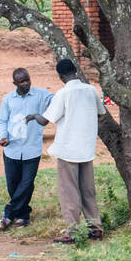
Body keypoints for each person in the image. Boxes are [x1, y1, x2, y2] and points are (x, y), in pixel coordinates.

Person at [28, 59, 107, 243]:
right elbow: (101, 114)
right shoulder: (91, 90)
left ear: (61, 76)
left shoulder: (63, 93)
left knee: (69, 191)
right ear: (76, 71)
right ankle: (95, 228)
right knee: (87, 189)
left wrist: (33, 116)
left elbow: (45, 120)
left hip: (68, 150)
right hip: (86, 148)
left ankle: (73, 232)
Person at [0, 68, 52, 230]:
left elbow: (58, 101)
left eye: (27, 79)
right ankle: (23, 214)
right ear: (15, 83)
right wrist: (2, 137)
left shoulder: (41, 95)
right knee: (13, 185)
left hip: (32, 149)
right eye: (21, 81)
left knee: (26, 183)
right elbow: (2, 121)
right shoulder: (8, 99)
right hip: (11, 148)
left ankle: (8, 214)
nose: (26, 83)